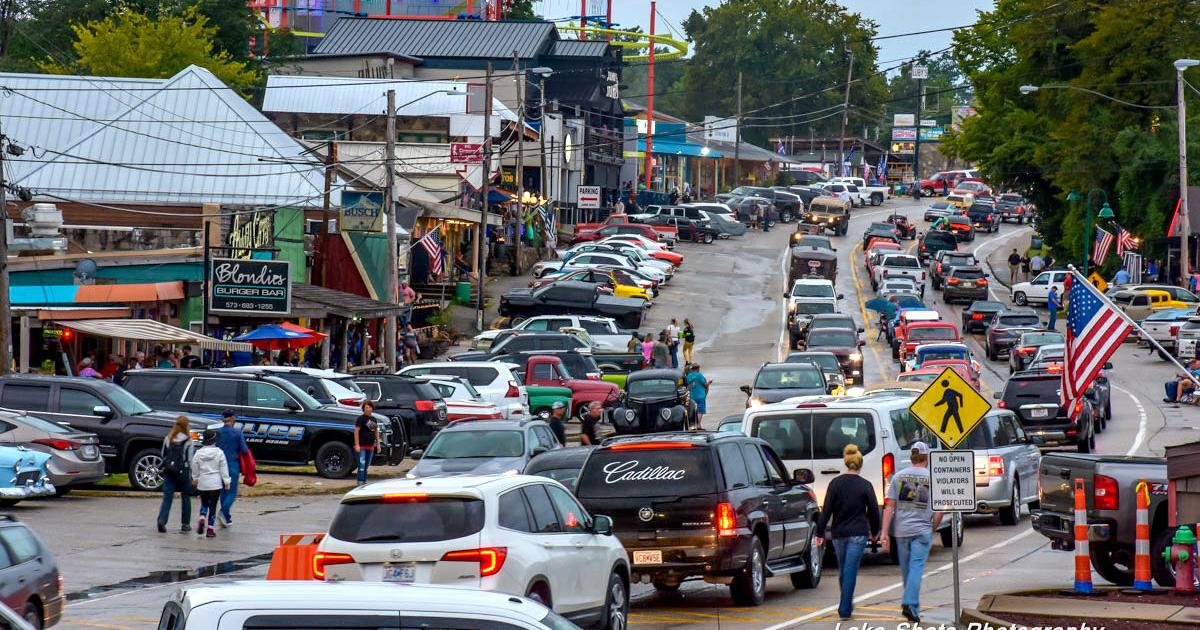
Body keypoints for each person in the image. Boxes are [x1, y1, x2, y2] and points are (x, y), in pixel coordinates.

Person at [814, 444, 881, 621]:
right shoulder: (865, 485)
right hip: (858, 533)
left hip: (839, 534)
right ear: (860, 465)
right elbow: (874, 511)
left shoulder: (835, 484)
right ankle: (845, 608)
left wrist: (820, 533)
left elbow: (826, 511)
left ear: (846, 463)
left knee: (844, 570)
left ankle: (846, 604)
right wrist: (875, 531)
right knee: (849, 570)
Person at [880, 442, 942, 623]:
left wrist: (884, 532)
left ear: (912, 457)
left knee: (907, 571)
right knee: (916, 567)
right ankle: (909, 602)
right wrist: (934, 527)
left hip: (901, 531)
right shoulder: (932, 478)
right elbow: (939, 510)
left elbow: (889, 507)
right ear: (926, 457)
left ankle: (912, 610)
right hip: (922, 530)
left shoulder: (898, 477)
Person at [191, 429, 231, 538]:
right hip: (215, 482)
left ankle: (202, 517)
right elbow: (224, 468)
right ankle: (210, 529)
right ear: (214, 440)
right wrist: (226, 481)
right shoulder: (219, 452)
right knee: (213, 506)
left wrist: (195, 478)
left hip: (203, 482)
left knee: (204, 503)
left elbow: (194, 466)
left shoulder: (198, 453)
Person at [156, 416, 194, 533]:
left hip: (169, 470)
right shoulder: (188, 440)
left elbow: (163, 454)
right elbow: (190, 459)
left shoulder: (169, 438)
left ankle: (162, 520)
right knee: (186, 497)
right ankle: (185, 524)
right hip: (183, 471)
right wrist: (192, 475)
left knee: (167, 497)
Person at [215, 410, 249, 528]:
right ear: (233, 419)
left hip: (219, 464)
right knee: (232, 492)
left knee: (223, 490)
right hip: (232, 464)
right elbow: (244, 450)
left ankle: (227, 517)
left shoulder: (218, 433)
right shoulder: (237, 433)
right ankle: (223, 511)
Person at [354, 401, 378, 485]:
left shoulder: (373, 419)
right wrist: (357, 445)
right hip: (362, 446)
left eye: (369, 407)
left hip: (370, 446)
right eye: (366, 407)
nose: (368, 409)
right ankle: (360, 482)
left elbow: (375, 432)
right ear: (363, 409)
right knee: (362, 465)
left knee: (366, 465)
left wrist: (378, 444)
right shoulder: (361, 419)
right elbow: (356, 431)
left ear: (372, 408)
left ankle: (364, 482)